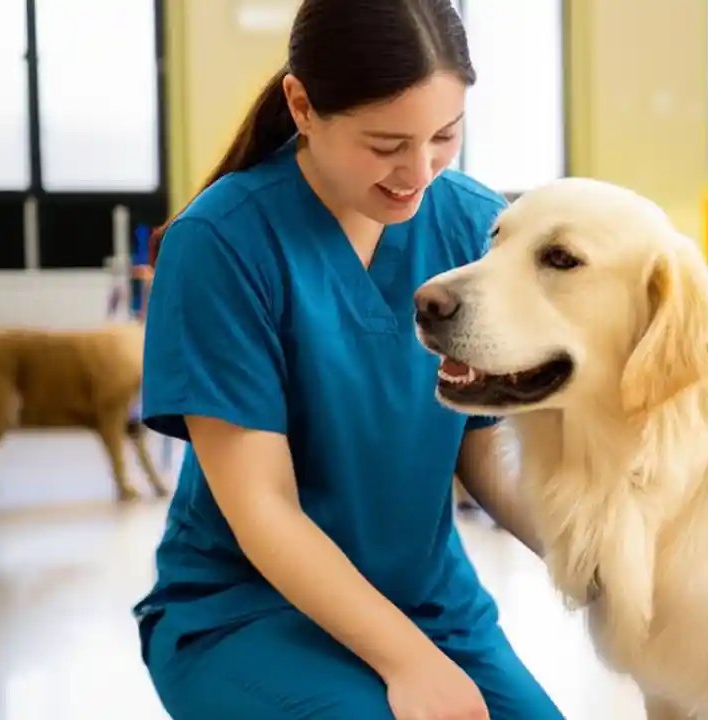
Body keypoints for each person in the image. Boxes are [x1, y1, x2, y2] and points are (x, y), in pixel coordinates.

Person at [133, 1, 561, 718]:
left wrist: (595, 561)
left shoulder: (470, 221)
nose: (417, 171)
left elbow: (484, 453)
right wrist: (410, 665)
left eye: (444, 135)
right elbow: (263, 507)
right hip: (249, 611)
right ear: (302, 104)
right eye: (385, 143)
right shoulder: (220, 243)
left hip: (429, 605)